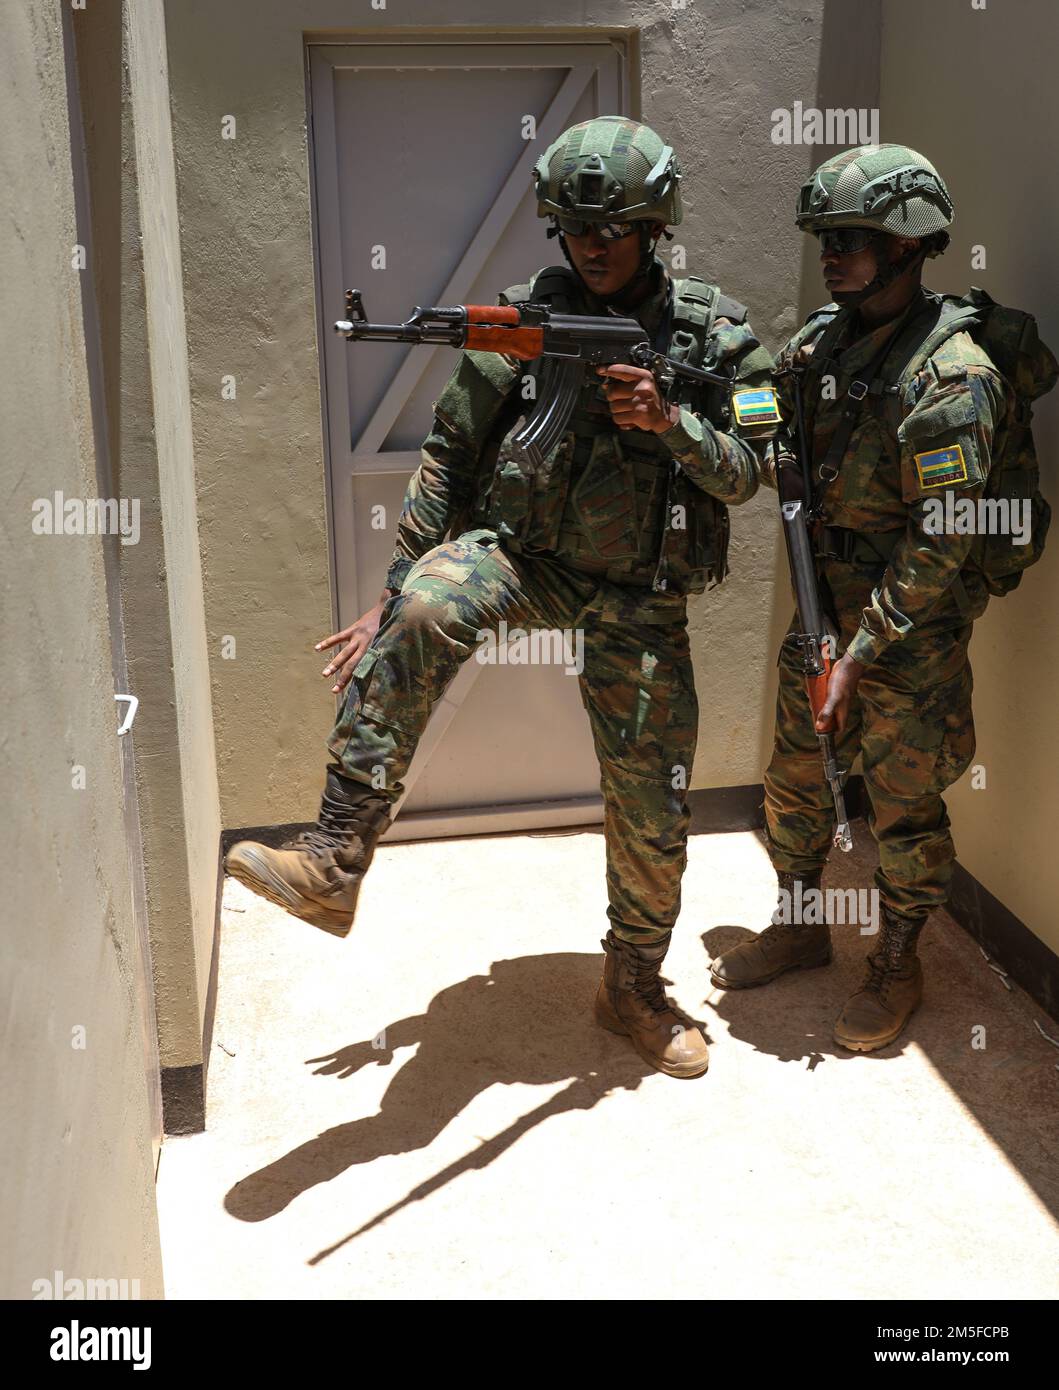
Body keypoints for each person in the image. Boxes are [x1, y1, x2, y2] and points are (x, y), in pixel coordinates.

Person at [226, 117, 776, 1079]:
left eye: (612, 227)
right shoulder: (520, 323)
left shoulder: (716, 336)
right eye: (573, 228)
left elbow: (747, 474)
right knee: (435, 604)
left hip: (645, 589)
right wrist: (397, 595)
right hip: (526, 558)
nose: (592, 246)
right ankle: (335, 859)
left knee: (652, 802)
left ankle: (633, 987)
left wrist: (671, 421)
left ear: (654, 226)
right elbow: (445, 460)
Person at [711, 143, 1035, 1052]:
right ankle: (802, 923)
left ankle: (898, 960)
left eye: (851, 238)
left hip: (907, 632)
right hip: (821, 602)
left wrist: (859, 655)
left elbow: (941, 543)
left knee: (903, 805)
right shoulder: (823, 340)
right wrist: (711, 397)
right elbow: (765, 412)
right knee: (793, 783)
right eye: (826, 238)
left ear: (907, 246)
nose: (832, 254)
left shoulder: (952, 380)